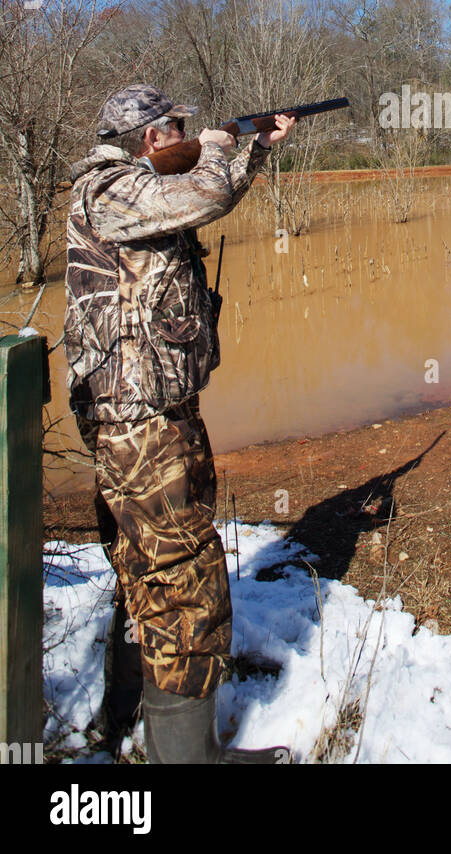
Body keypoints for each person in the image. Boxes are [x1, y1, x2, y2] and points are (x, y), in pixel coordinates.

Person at [64, 84, 295, 764]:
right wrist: (225, 144)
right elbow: (203, 195)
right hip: (138, 425)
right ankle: (187, 760)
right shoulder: (108, 190)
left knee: (151, 570)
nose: (188, 134)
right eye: (178, 127)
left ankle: (127, 725)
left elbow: (202, 196)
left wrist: (255, 150)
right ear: (149, 137)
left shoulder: (138, 189)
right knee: (184, 583)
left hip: (159, 414)